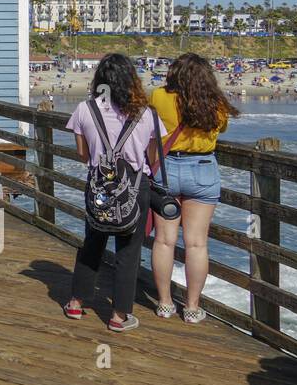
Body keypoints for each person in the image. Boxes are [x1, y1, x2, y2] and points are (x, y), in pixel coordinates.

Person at [63, 53, 162, 332]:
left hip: (99, 186)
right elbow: (151, 158)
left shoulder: (85, 109)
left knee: (93, 242)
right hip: (134, 186)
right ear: (132, 79)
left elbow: (83, 154)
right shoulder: (146, 114)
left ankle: (76, 301)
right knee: (128, 252)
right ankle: (119, 315)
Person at [149, 52, 238, 324]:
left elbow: (151, 127)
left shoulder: (158, 97)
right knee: (197, 243)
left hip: (167, 170)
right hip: (202, 169)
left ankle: (165, 303)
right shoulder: (216, 102)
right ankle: (192, 307)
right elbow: (220, 129)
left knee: (164, 240)